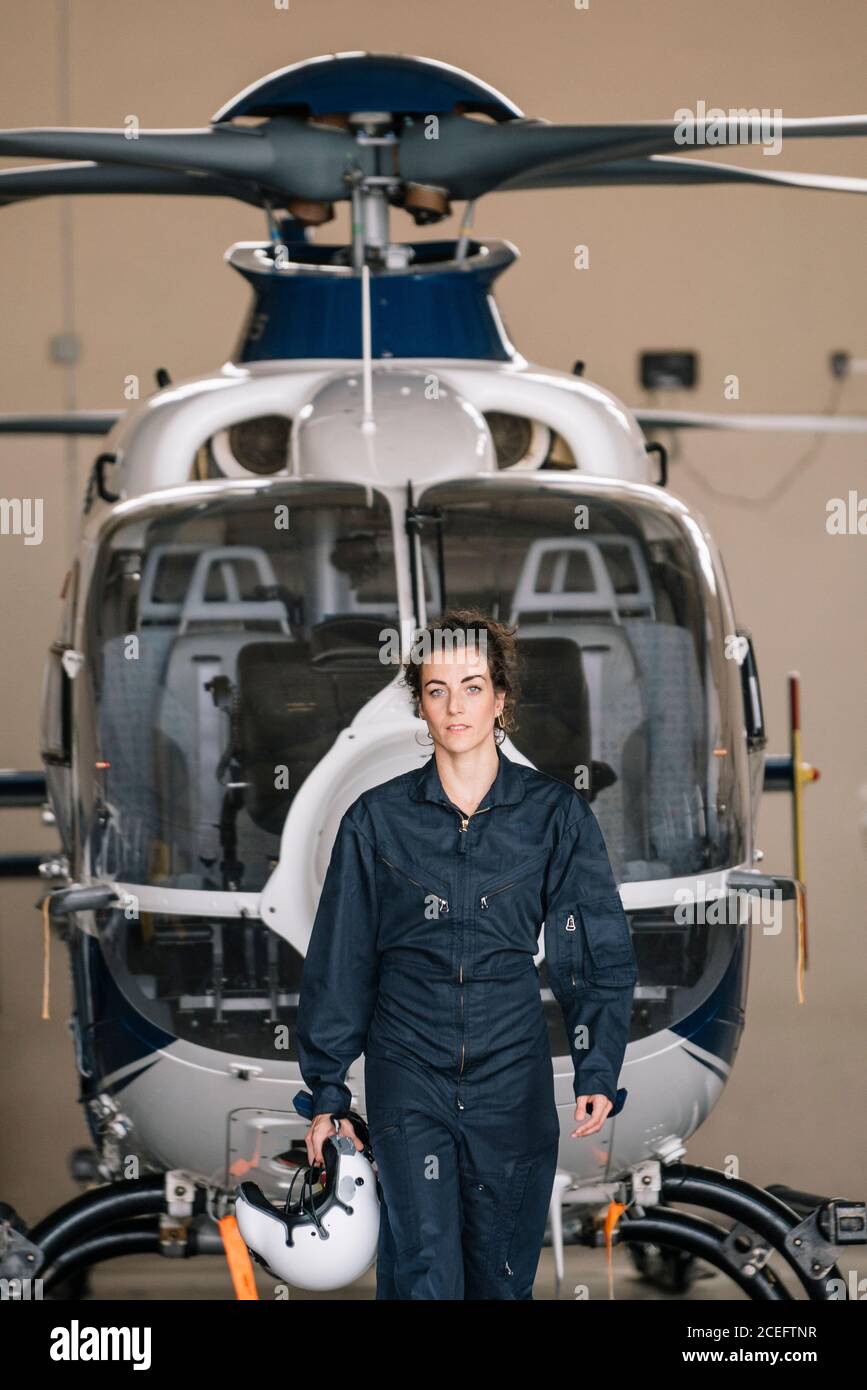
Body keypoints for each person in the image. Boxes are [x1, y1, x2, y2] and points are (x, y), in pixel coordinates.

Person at [296, 608, 638, 1299]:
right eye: (436, 689)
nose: (455, 707)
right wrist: (327, 1091)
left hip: (510, 1075)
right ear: (418, 702)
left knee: (501, 1277)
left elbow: (591, 947)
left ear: (501, 698)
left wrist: (596, 1065)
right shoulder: (376, 819)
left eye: (473, 687)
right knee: (424, 1269)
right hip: (406, 1068)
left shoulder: (553, 816)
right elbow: (341, 959)